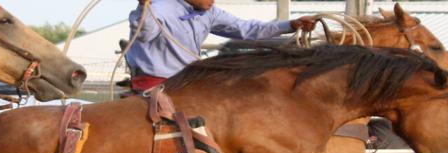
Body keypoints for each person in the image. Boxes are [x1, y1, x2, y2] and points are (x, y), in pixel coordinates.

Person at [124, 0, 319, 93]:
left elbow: (248, 29)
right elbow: (144, 33)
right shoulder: (159, 8)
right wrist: (144, 6)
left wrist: (290, 25)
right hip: (154, 84)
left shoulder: (210, 12)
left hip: (186, 81)